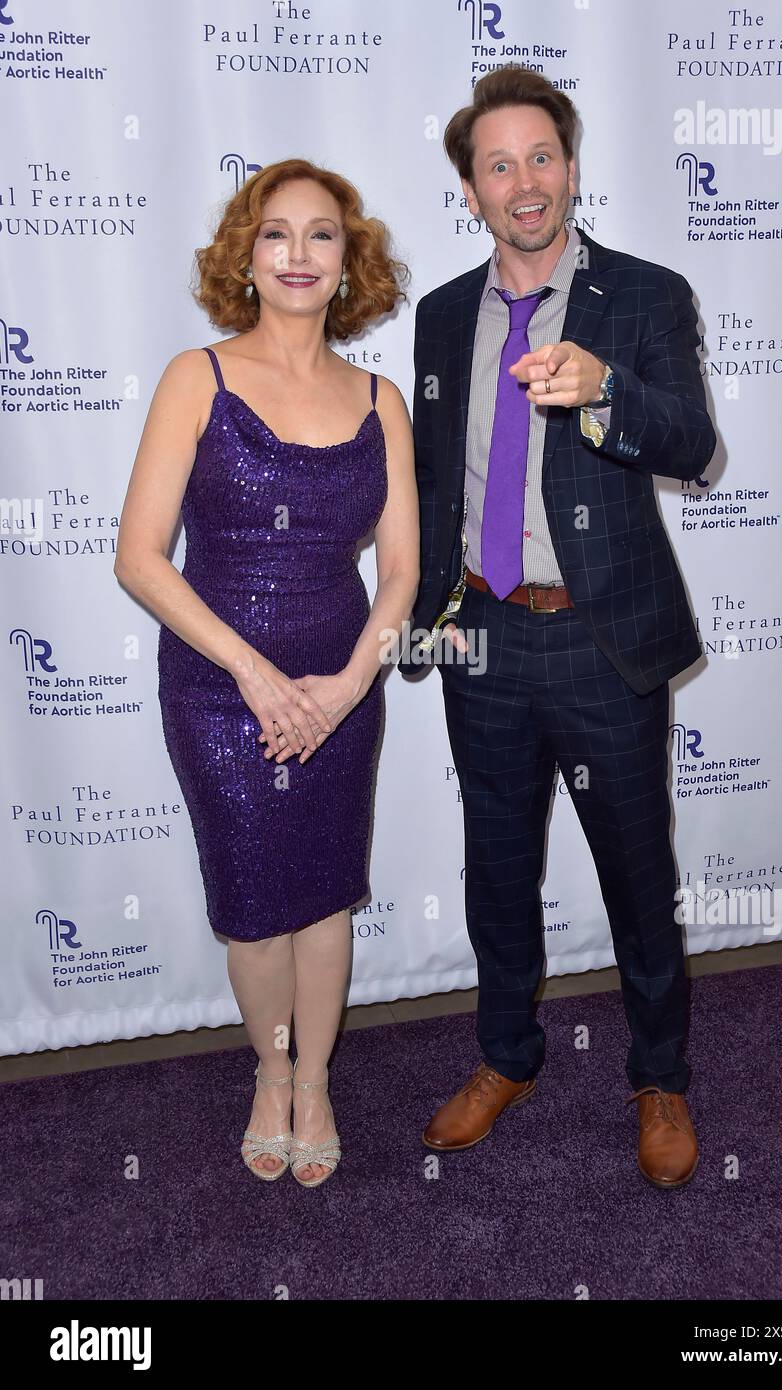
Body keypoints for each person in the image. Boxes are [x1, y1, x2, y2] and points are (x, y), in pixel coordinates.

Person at [399, 66, 717, 1188]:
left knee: (636, 872)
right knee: (494, 867)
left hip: (598, 636)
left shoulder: (643, 293)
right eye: (497, 165)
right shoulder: (440, 317)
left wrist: (602, 390)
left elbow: (690, 446)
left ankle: (658, 1074)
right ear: (470, 191)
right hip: (478, 639)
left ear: (571, 168)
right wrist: (423, 621)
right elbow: (437, 482)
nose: (522, 183)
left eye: (540, 157)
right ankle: (505, 1055)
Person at [114, 159, 418, 1186]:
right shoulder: (194, 377)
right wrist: (251, 673)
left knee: (324, 897)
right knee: (253, 904)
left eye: (320, 234)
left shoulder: (379, 399)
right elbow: (140, 556)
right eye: (275, 234)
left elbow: (404, 574)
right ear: (245, 256)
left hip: (340, 687)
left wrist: (342, 688)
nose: (298, 254)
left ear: (348, 260)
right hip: (216, 686)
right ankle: (270, 1069)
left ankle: (317, 1080)